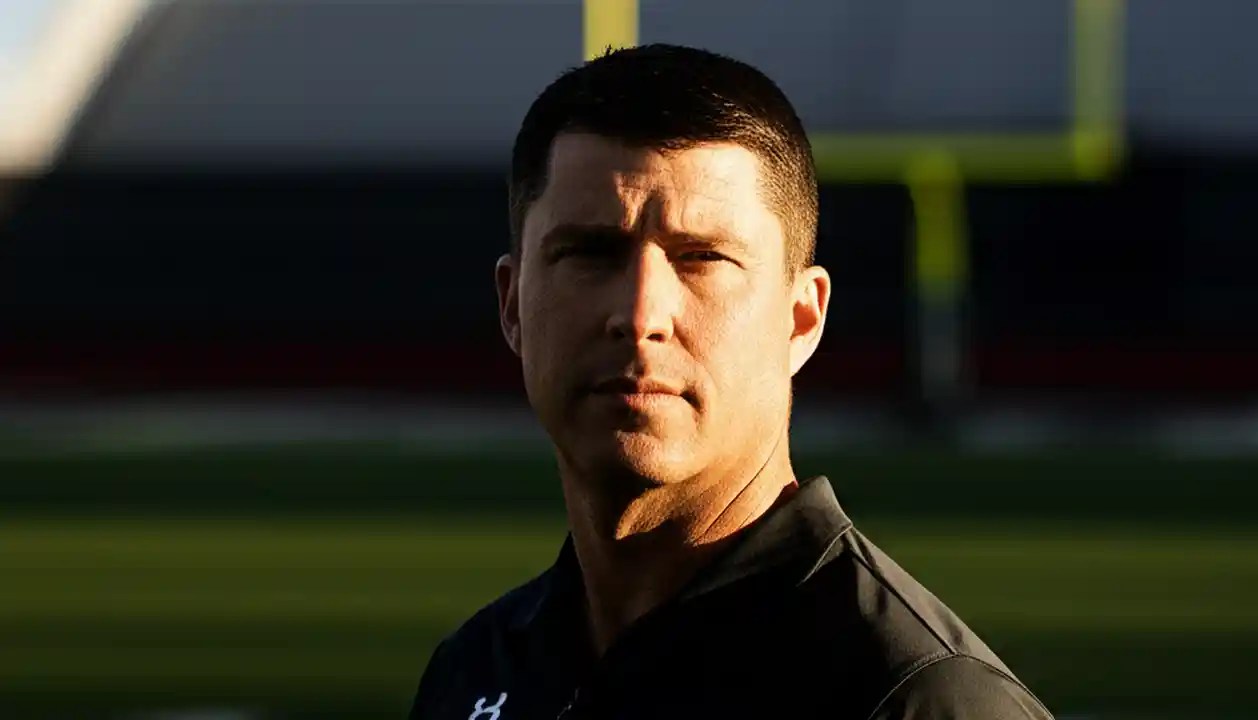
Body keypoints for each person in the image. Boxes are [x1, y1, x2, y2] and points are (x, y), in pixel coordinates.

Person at [408, 44, 1054, 720]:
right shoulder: (477, 668)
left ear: (801, 318)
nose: (640, 315)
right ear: (512, 306)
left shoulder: (915, 697)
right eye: (589, 253)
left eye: (702, 258)